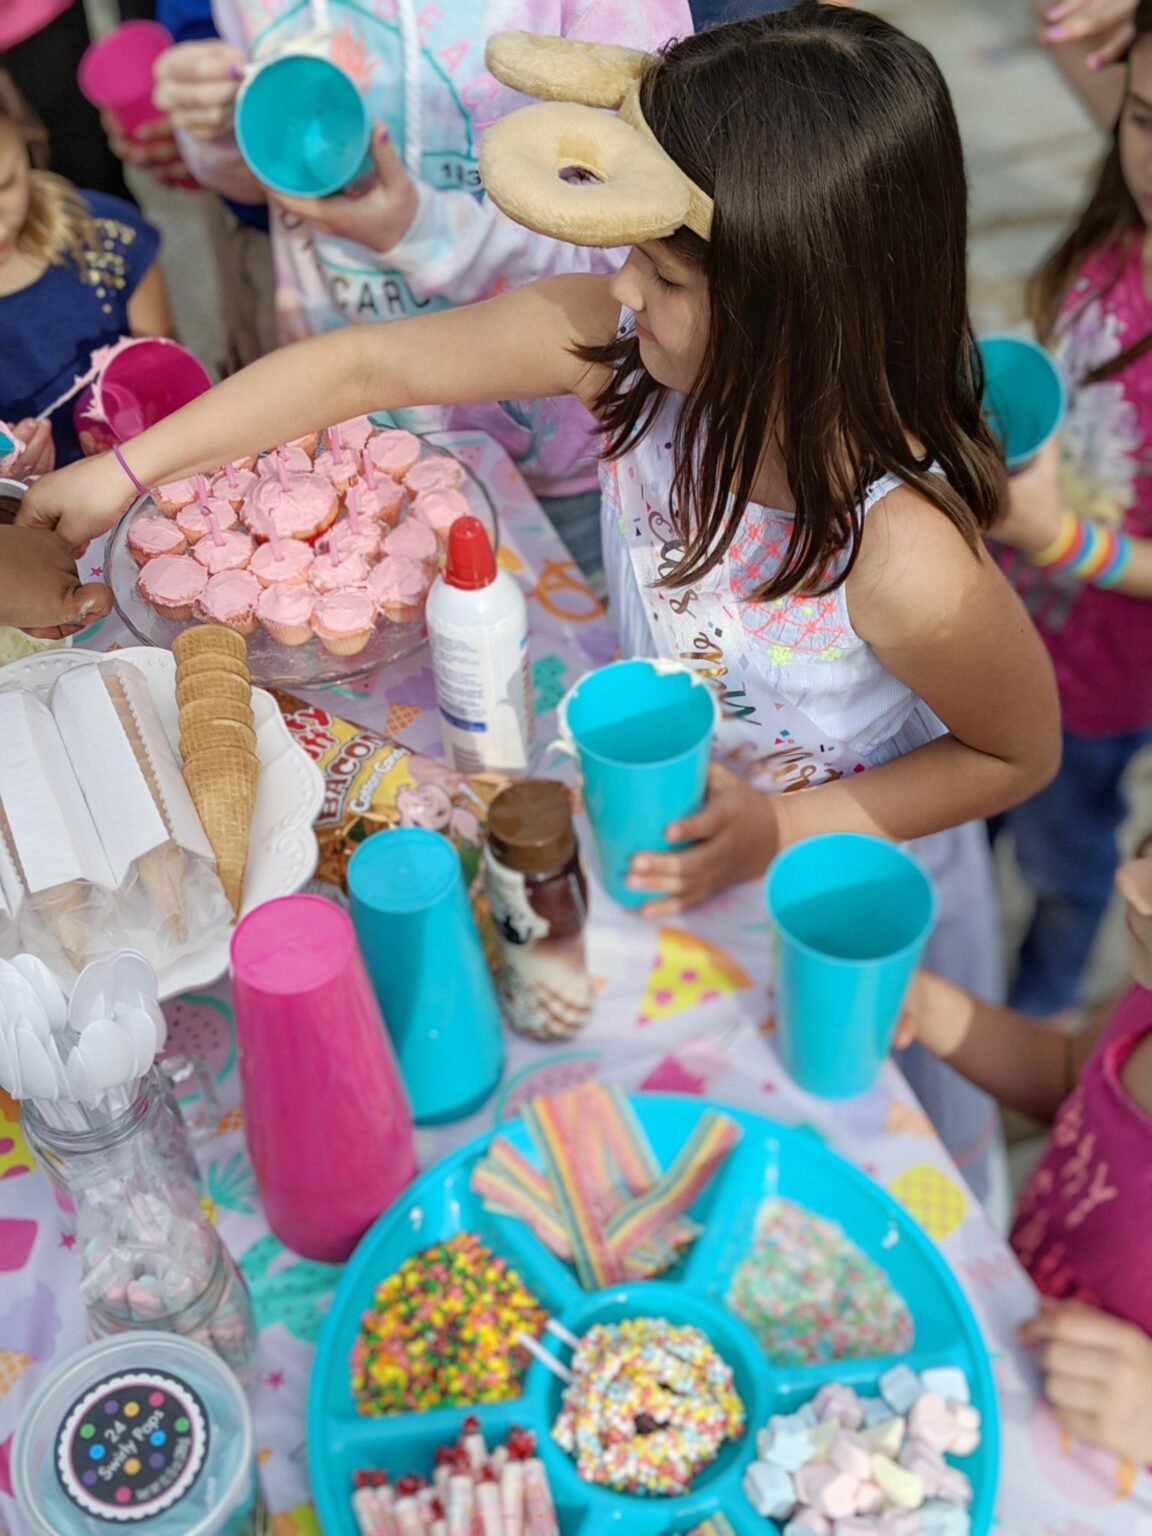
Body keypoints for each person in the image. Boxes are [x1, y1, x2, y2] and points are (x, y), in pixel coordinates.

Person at [21, 4, 1062, 1207]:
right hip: (668, 844)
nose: (620, 282)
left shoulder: (901, 556)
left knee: (826, 1169)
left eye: (663, 272)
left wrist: (779, 829)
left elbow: (1013, 754)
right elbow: (368, 365)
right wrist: (126, 472)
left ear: (794, 307)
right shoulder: (629, 356)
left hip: (833, 894)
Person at [146, 0, 693, 582]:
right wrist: (219, 132)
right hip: (349, 432)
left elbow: (642, 250)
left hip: (560, 446)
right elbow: (260, 172)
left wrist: (422, 232)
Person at [990, 0, 1152, 1016]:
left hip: (1098, 688)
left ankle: (1038, 1010)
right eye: (1141, 118)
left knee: (1063, 859)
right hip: (1010, 619)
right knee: (976, 810)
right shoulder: (1119, 228)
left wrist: (1060, 539)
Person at [899, 841, 1152, 1466]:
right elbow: (1070, 1075)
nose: (1129, 877)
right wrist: (925, 1004)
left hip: (1093, 1467)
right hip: (1006, 1318)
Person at [0, 71, 171, 466]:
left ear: (25, 138)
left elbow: (167, 374)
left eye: (5, 183)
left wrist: (141, 428)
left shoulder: (104, 238)